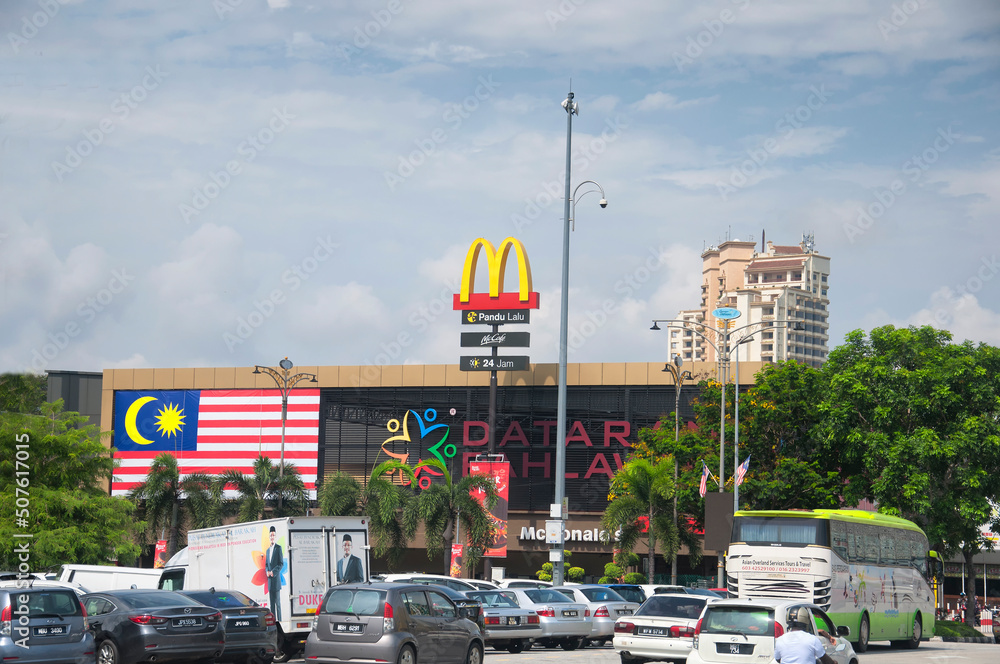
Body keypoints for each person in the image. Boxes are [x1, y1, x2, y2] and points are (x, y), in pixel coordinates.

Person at [265, 526, 283, 620]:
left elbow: (281, 563)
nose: (272, 537)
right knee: (271, 605)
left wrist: (273, 572)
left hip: (276, 581)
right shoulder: (268, 550)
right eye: (271, 535)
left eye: (273, 535)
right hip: (270, 582)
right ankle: (273, 622)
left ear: (275, 537)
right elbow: (266, 564)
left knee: (278, 604)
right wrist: (267, 571)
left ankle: (280, 621)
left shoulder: (278, 548)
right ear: (269, 537)